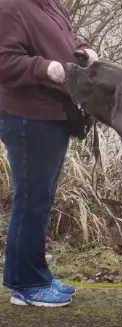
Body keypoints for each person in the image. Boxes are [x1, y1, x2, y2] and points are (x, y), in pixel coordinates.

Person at [0, 0, 98, 307]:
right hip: (29, 118)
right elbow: (4, 61)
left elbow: (65, 39)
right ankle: (28, 285)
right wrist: (45, 67)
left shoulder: (50, 4)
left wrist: (82, 49)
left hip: (54, 116)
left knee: (39, 199)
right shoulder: (10, 7)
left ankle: (33, 275)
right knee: (31, 200)